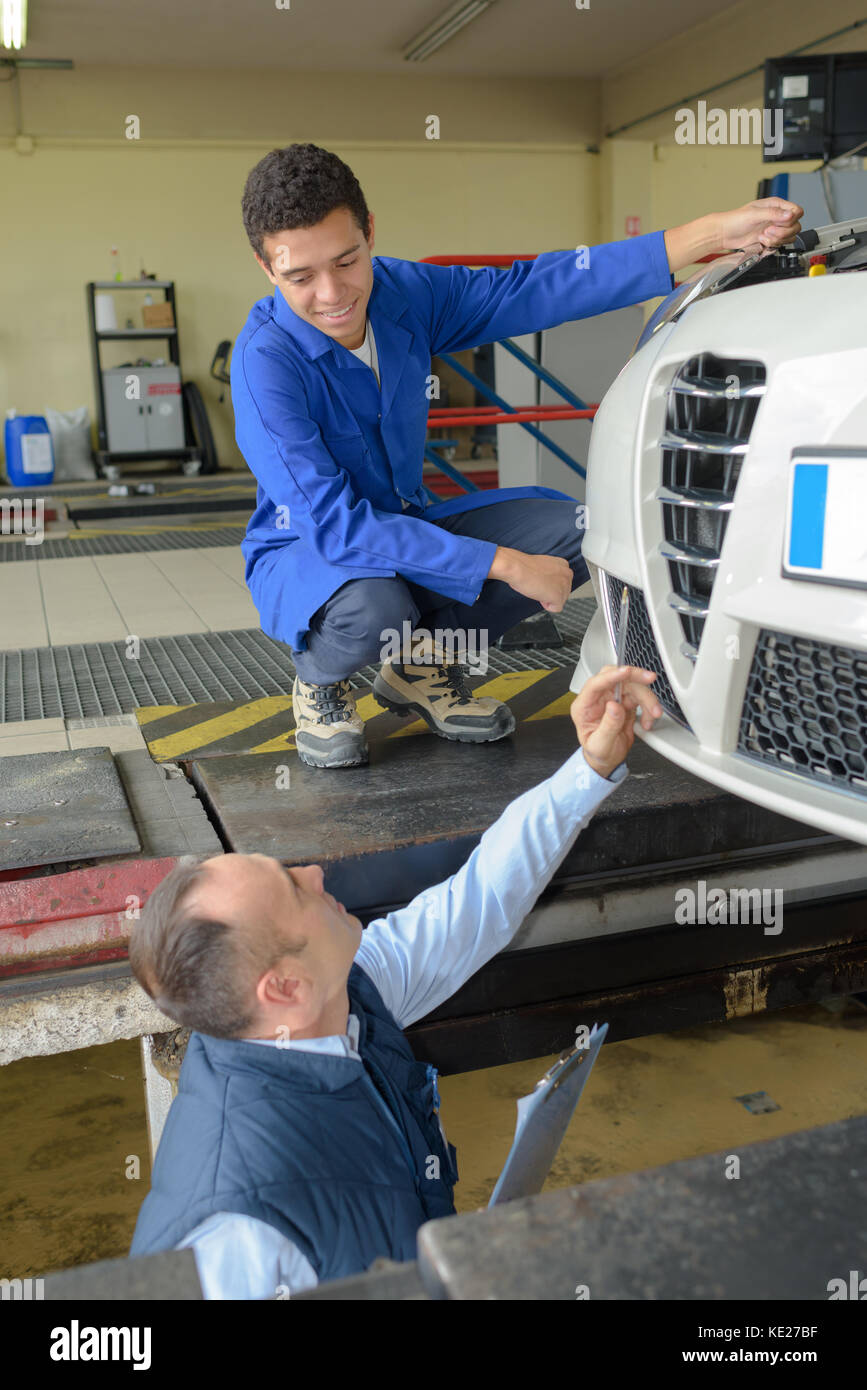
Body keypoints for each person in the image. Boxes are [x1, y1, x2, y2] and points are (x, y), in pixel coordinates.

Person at [232, 143, 802, 768]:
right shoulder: (265, 362)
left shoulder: (402, 294)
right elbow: (337, 525)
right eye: (300, 277)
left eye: (347, 261)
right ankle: (319, 680)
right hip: (313, 555)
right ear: (266, 268)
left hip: (407, 525)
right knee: (376, 606)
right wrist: (501, 563)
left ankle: (420, 669)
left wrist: (708, 235)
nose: (333, 294)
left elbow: (531, 289)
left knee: (575, 531)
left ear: (370, 233)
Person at [129, 663, 663, 1298]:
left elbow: (481, 900)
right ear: (285, 989)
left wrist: (590, 766)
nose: (316, 873)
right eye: (291, 890)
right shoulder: (236, 1232)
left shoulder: (346, 995)